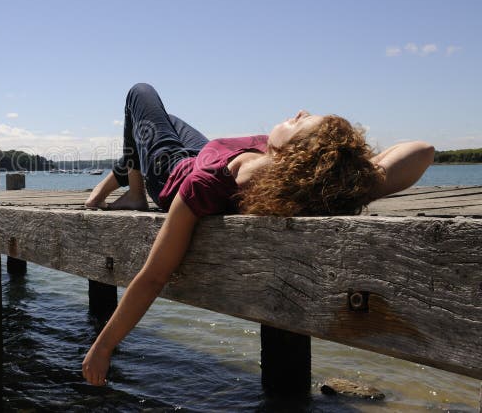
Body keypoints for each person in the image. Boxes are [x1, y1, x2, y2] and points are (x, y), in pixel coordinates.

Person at [81, 83, 434, 386]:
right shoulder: (311, 184)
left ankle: (136, 194)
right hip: (206, 152)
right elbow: (422, 150)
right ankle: (111, 185)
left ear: (292, 155)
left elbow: (154, 276)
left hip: (171, 169)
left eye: (300, 122)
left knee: (139, 94)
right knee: (163, 121)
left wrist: (103, 346)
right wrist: (359, 175)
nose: (298, 111)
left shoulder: (204, 185)